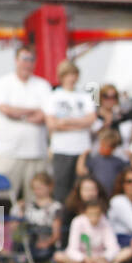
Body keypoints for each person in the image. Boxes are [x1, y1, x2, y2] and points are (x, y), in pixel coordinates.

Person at [0, 47, 51, 203]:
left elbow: (46, 114)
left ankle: (34, 228)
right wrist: (33, 111)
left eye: (31, 59)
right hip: (7, 153)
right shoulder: (1, 83)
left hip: (36, 152)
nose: (27, 63)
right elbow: (6, 110)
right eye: (24, 58)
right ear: (16, 60)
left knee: (36, 201)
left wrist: (19, 114)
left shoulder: (43, 85)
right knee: (0, 201)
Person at [44, 60, 96, 203]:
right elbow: (52, 124)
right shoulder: (53, 97)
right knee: (61, 189)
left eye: (74, 74)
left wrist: (66, 121)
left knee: (82, 189)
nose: (71, 78)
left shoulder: (84, 96)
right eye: (68, 75)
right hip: (61, 149)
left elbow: (91, 119)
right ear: (62, 76)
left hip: (82, 150)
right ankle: (63, 223)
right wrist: (80, 123)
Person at [54, 194, 132, 263]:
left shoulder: (105, 222)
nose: (94, 217)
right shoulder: (77, 222)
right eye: (91, 214)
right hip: (83, 258)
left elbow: (113, 247)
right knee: (58, 256)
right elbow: (72, 248)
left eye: (97, 214)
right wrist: (83, 258)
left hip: (100, 256)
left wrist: (104, 257)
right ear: (85, 212)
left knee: (128, 251)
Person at [17, 171, 62, 263]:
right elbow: (17, 226)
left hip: (47, 242)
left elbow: (56, 233)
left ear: (50, 187)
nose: (37, 191)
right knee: (17, 248)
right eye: (35, 188)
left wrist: (47, 243)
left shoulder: (56, 207)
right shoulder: (28, 206)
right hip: (30, 241)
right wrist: (20, 212)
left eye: (40, 188)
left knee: (43, 253)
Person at [78, 127, 125, 198]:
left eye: (107, 146)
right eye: (102, 145)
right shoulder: (95, 160)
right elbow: (81, 172)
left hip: (112, 194)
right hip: (97, 195)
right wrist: (83, 156)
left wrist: (131, 157)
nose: (104, 148)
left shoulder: (118, 161)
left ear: (114, 147)